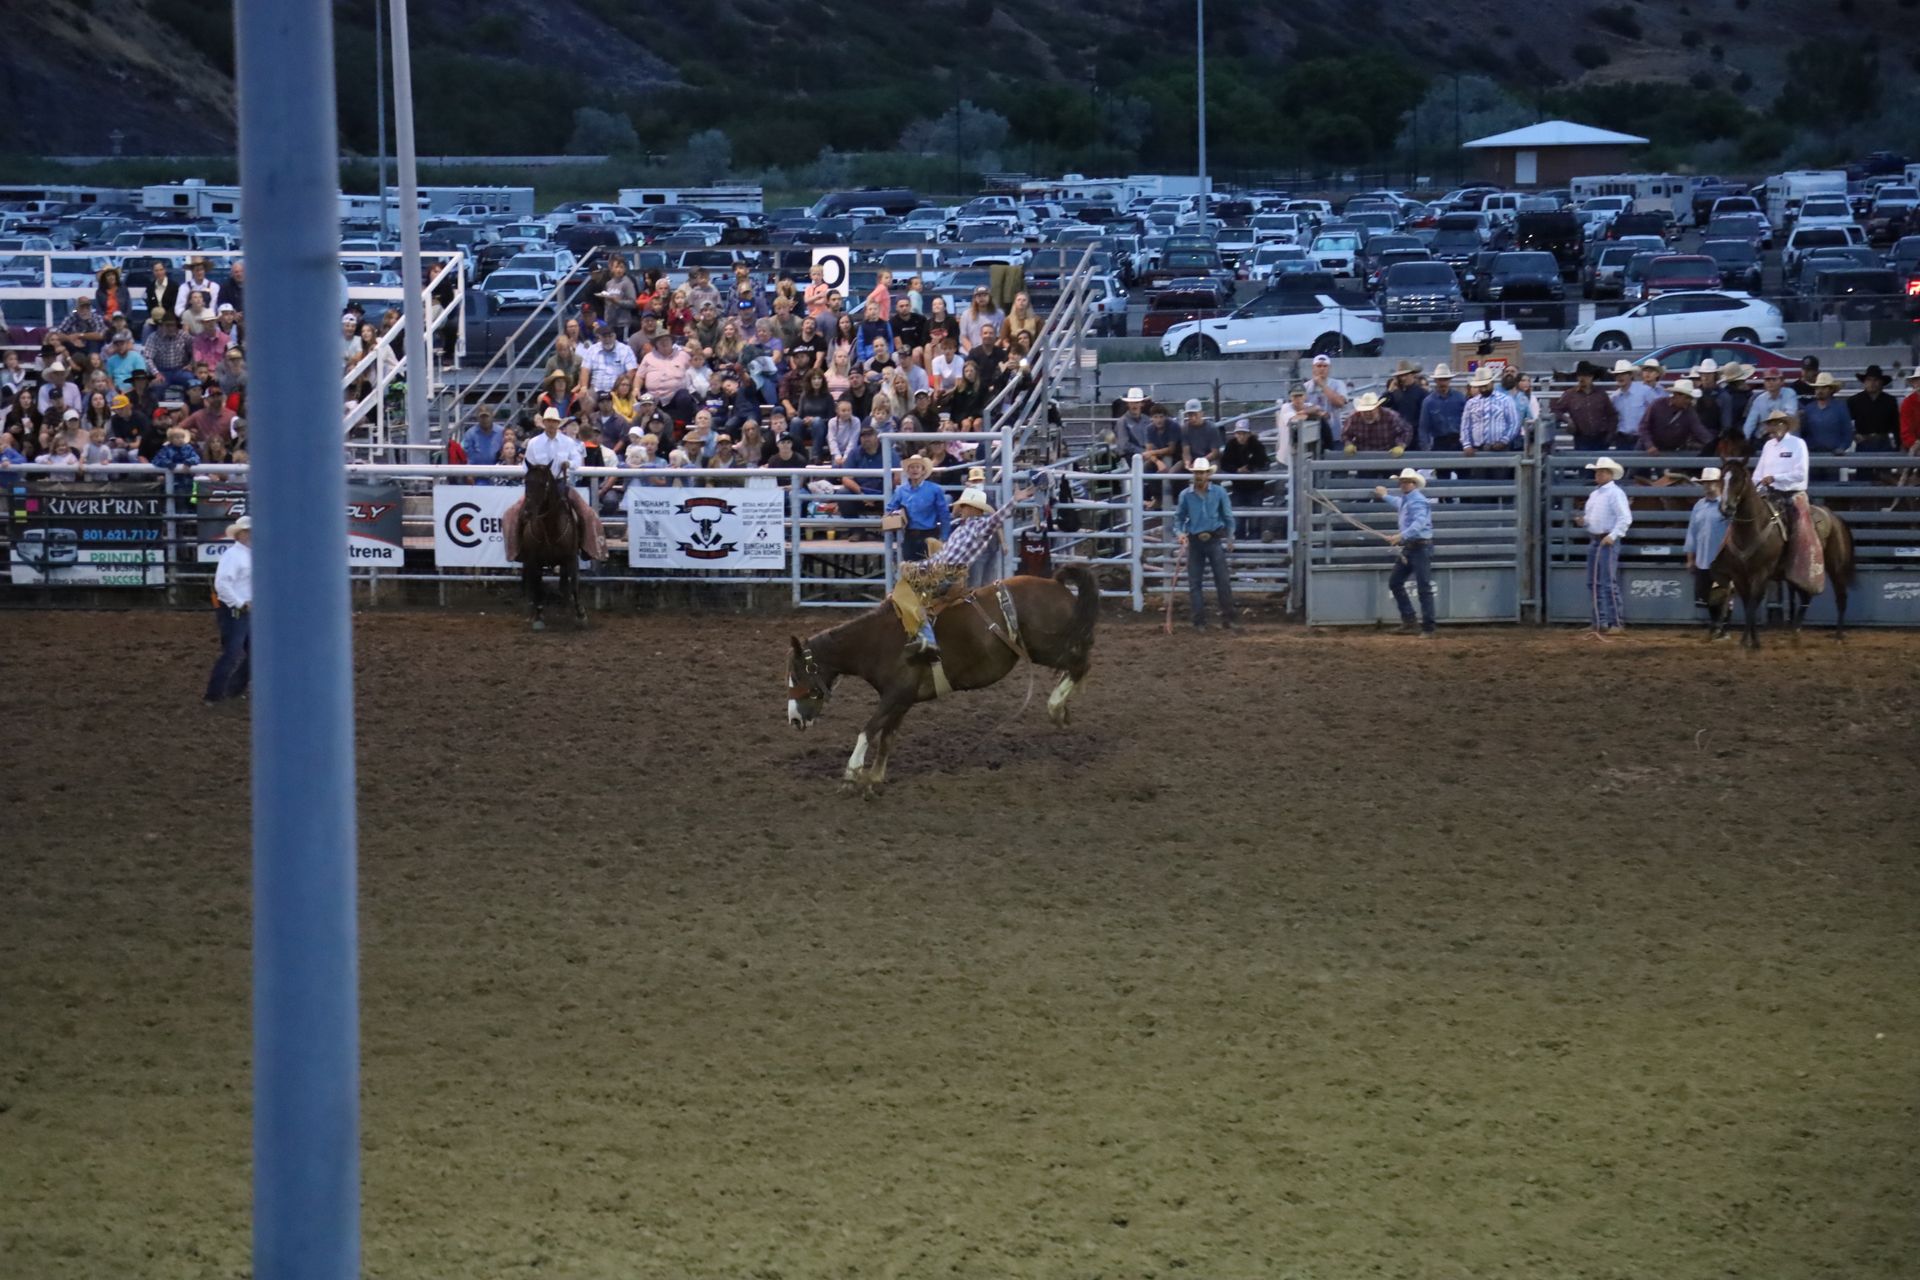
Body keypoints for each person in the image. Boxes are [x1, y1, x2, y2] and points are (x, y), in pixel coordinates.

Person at [890, 482, 1032, 658]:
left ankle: (927, 639)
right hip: (941, 572)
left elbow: (996, 520)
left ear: (972, 508)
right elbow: (941, 557)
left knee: (907, 594)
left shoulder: (978, 527)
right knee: (906, 589)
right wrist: (917, 567)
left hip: (948, 576)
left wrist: (1014, 501)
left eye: (963, 506)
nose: (960, 509)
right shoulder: (962, 529)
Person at [507, 407, 608, 561]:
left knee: (587, 514)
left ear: (558, 423)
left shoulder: (568, 442)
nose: (551, 424)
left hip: (561, 484)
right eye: (549, 421)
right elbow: (526, 466)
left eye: (554, 421)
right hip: (539, 487)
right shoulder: (534, 443)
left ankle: (588, 548)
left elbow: (576, 460)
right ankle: (517, 550)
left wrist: (569, 464)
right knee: (512, 514)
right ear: (544, 423)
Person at [1174, 456, 1236, 630]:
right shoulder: (1186, 495)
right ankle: (1199, 620)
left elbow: (1228, 516)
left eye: (1202, 473)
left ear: (1208, 474)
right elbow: (1178, 519)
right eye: (1197, 473)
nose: (1200, 476)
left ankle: (1227, 617)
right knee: (1195, 582)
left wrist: (1230, 536)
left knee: (1222, 580)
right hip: (1195, 540)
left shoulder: (1219, 493)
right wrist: (1180, 533)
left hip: (1214, 538)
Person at [1374, 467, 1435, 637]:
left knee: (1423, 587)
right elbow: (1398, 503)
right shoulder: (1408, 499)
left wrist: (1400, 536)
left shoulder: (1418, 501)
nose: (1403, 484)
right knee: (1396, 582)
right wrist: (1384, 495)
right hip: (1413, 547)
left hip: (1420, 546)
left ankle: (1427, 627)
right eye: (1402, 481)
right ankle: (1410, 621)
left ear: (1413, 483)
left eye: (1406, 481)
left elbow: (1419, 524)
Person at [1574, 456, 1631, 635]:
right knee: (1595, 582)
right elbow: (1594, 519)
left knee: (1606, 583)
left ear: (1609, 474)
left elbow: (1625, 518)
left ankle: (1614, 622)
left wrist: (1613, 535)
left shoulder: (1615, 493)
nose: (1598, 474)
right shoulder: (1595, 494)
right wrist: (1584, 522)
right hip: (1597, 539)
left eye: (1601, 472)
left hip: (1606, 540)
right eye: (1597, 471)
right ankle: (1601, 621)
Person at [205, 514, 253, 706]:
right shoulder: (233, 556)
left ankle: (231, 690)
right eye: (249, 532)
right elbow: (222, 585)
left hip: (244, 609)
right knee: (233, 653)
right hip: (236, 610)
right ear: (240, 534)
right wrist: (240, 603)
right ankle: (215, 695)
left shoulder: (247, 555)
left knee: (253, 654)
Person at [885, 453, 950, 561]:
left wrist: (944, 537)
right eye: (911, 467)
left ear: (923, 470)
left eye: (917, 467)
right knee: (910, 571)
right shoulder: (900, 490)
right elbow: (890, 509)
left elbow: (944, 514)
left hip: (930, 534)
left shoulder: (935, 490)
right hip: (910, 535)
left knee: (930, 572)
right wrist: (895, 516)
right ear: (907, 471)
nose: (914, 470)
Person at [1684, 466, 1730, 613]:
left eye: (1711, 482)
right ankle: (1717, 626)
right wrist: (1690, 558)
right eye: (1705, 483)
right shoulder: (1699, 505)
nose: (1707, 486)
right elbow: (1692, 532)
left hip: (1722, 559)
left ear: (1718, 483)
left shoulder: (1726, 505)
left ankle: (1721, 627)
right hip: (1703, 559)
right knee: (1708, 596)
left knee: (1722, 594)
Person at [1219, 420, 1271, 539]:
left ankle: (1254, 543)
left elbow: (1263, 461)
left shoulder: (1256, 445)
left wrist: (1249, 467)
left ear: (1249, 434)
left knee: (1254, 519)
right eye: (1239, 433)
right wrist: (1237, 470)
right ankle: (1240, 543)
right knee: (1238, 519)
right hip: (1239, 487)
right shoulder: (1231, 445)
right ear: (1235, 434)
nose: (1241, 436)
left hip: (1255, 487)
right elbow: (1224, 463)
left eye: (1244, 433)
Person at [1555, 360, 1618, 451]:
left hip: (1601, 438)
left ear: (1592, 377)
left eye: (1586, 375)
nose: (1582, 378)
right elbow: (1556, 410)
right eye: (1580, 375)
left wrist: (1610, 434)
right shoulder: (1570, 394)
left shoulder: (1601, 394)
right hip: (1581, 439)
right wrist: (1568, 420)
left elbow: (1612, 415)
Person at [1641, 378, 1712, 455]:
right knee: (1635, 467)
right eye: (1687, 398)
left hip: (1669, 451)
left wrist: (1713, 444)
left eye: (1691, 398)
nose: (1689, 401)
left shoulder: (1689, 412)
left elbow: (1700, 431)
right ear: (1677, 395)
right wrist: (1649, 445)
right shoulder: (1657, 404)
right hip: (1645, 448)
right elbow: (1643, 427)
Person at [1460, 368, 1522, 453]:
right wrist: (1467, 445)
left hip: (1500, 448)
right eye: (1481, 386)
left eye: (1485, 386)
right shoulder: (1471, 403)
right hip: (1476, 448)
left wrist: (1504, 441)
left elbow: (1514, 423)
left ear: (1492, 383)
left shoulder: (1505, 400)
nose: (1483, 389)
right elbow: (1465, 426)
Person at [1609, 358, 1660, 449]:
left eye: (1624, 374)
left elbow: (1657, 411)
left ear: (1631, 375)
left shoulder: (1645, 391)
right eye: (1617, 375)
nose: (1620, 377)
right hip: (1622, 439)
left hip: (1642, 439)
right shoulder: (1614, 397)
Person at [1341, 391, 1412, 455]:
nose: (1367, 414)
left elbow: (1406, 431)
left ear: (1377, 408)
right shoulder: (1354, 417)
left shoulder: (1391, 416)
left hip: (1388, 455)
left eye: (1370, 411)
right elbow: (1345, 434)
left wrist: (1400, 445)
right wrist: (1349, 444)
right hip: (1363, 456)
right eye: (1365, 411)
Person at [1798, 372, 1853, 455]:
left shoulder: (1840, 407)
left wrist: (1842, 447)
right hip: (1812, 453)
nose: (1820, 391)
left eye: (1823, 388)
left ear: (1831, 390)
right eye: (1817, 388)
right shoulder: (1809, 408)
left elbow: (1847, 432)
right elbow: (1803, 431)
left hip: (1834, 453)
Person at [1848, 365, 1899, 453]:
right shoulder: (1854, 401)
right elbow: (1846, 422)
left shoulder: (1890, 401)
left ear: (1881, 382)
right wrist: (1854, 435)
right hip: (1863, 443)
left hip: (1884, 443)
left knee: (1884, 466)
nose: (1872, 383)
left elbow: (1896, 425)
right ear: (1864, 382)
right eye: (1869, 380)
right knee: (1863, 466)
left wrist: (1899, 445)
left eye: (1875, 380)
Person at [1742, 367, 1798, 442]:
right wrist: (1744, 440)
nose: (1770, 382)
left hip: (1785, 436)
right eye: (1767, 379)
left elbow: (1790, 415)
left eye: (1774, 379)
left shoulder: (1789, 393)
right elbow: (1750, 423)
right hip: (1764, 437)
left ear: (1782, 381)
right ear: (1764, 382)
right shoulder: (1759, 400)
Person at [1416, 363, 1465, 451]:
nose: (1443, 382)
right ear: (1435, 381)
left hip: (1459, 442)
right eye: (1440, 380)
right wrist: (1426, 448)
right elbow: (1424, 428)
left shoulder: (1460, 398)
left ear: (1449, 380)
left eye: (1445, 379)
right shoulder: (1428, 402)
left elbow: (1467, 422)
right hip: (1439, 443)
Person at [1304, 353, 1349, 449]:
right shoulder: (1306, 387)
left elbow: (1340, 403)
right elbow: (1301, 409)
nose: (1322, 369)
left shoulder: (1338, 384)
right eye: (1319, 366)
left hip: (1334, 435)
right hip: (1312, 437)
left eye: (1325, 366)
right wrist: (1317, 412)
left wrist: (1322, 385)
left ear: (1329, 368)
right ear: (1313, 368)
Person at [1179, 398, 1223, 469]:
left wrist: (1200, 462)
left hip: (1209, 459)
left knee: (1215, 472)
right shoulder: (1184, 428)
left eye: (1195, 414)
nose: (1193, 418)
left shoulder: (1211, 428)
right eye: (1190, 415)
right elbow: (1186, 451)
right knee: (1172, 473)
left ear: (1202, 413)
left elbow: (1215, 453)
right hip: (1193, 460)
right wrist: (1187, 462)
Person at [1114, 387, 1152, 462]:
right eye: (1132, 403)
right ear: (1128, 404)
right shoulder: (1122, 421)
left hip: (1148, 455)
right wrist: (1143, 452)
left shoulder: (1147, 420)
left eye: (1137, 402)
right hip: (1129, 457)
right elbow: (1124, 445)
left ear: (1142, 404)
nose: (1134, 406)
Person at [1902, 369, 1920, 453]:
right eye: (1917, 380)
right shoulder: (1908, 402)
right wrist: (1914, 443)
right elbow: (1906, 430)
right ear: (1913, 383)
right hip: (1915, 446)